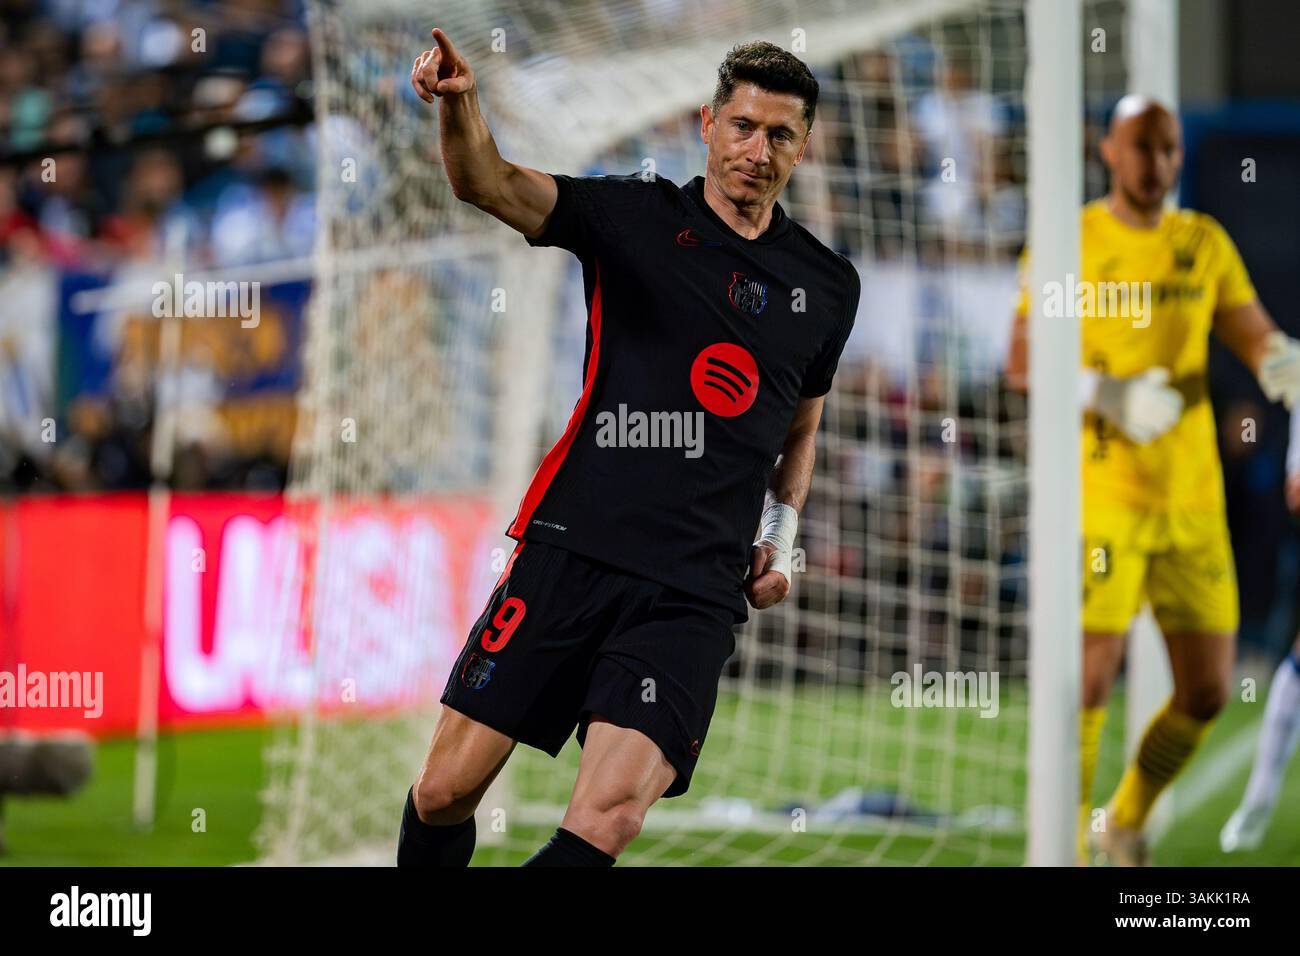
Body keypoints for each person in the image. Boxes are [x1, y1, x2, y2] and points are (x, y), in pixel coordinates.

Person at [395, 30, 860, 867]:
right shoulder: (633, 218)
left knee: (607, 817)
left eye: (780, 134)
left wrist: (781, 540)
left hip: (692, 592)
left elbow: (801, 432)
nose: (758, 150)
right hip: (575, 551)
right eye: (744, 126)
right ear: (709, 125)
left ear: (804, 147)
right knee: (443, 791)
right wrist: (463, 105)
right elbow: (486, 182)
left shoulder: (826, 286)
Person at [1007, 94, 1300, 865]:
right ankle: (1066, 849)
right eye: (1141, 148)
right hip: (1101, 499)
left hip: (1193, 503)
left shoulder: (1200, 243)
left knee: (1206, 693)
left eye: (1169, 150)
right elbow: (1021, 360)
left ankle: (1125, 818)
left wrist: (1294, 373)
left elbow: (1261, 340)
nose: (1156, 164)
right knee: (1090, 684)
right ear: (1108, 150)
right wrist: (1101, 392)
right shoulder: (1071, 242)